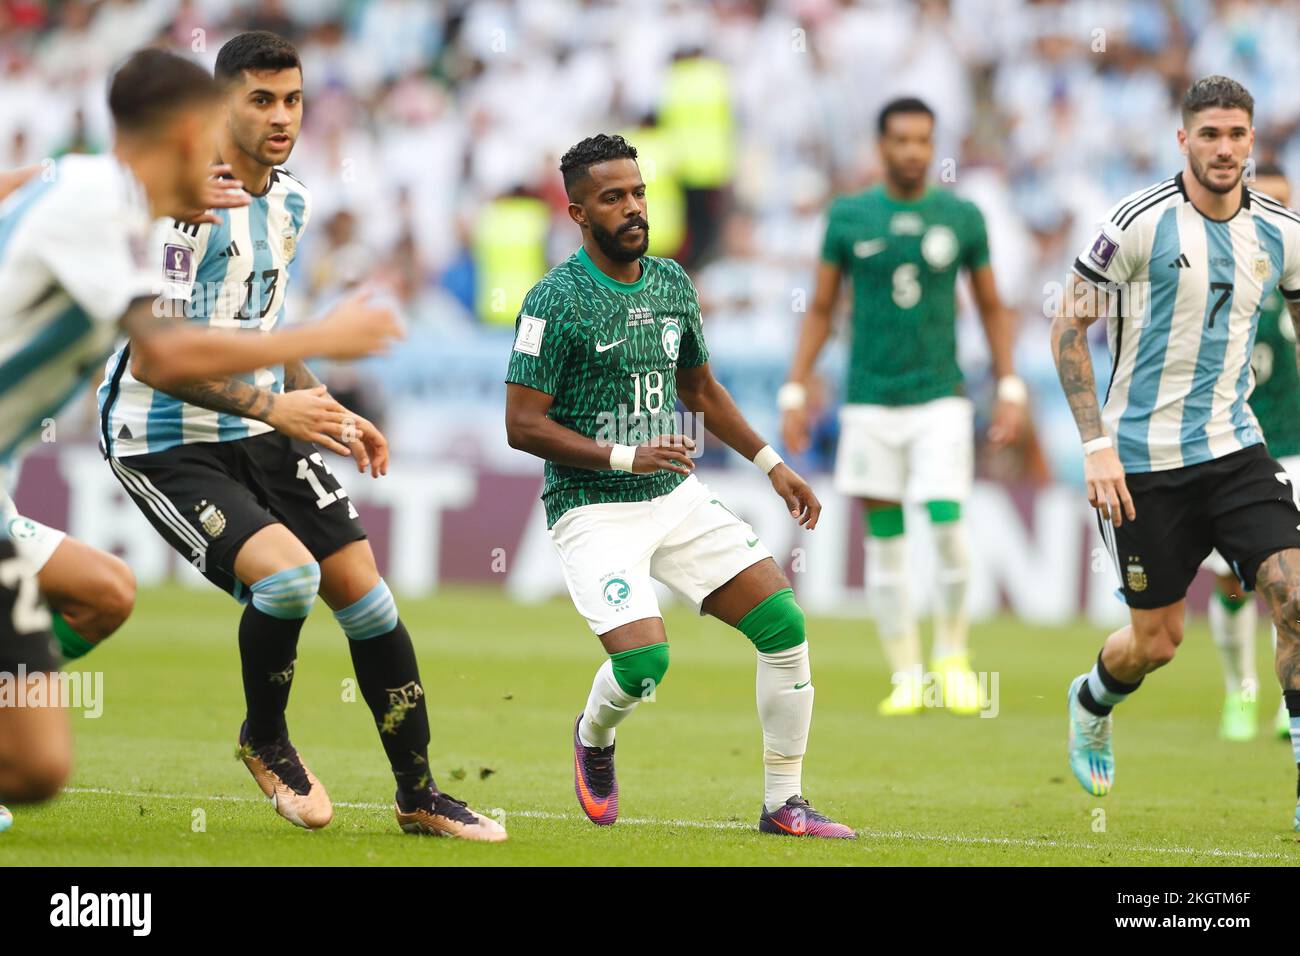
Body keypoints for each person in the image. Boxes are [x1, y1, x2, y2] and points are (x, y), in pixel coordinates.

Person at [97, 32, 504, 842]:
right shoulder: (187, 205)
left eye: (292, 99)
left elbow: (264, 328)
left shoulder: (291, 202)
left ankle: (420, 793)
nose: (282, 116)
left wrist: (326, 404)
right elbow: (157, 356)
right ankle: (265, 738)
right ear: (221, 106)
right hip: (165, 437)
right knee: (287, 583)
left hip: (257, 423)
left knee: (366, 594)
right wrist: (276, 408)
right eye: (261, 99)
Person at [0, 47, 399, 804]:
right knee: (35, 763)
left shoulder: (84, 184)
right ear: (193, 133)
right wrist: (314, 340)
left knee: (98, 611)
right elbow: (165, 353)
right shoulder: (97, 209)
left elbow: (24, 188)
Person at [505, 133, 854, 838]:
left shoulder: (671, 283)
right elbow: (521, 425)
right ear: (577, 212)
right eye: (613, 198)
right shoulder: (553, 300)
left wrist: (771, 463)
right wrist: (624, 456)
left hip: (671, 497)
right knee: (643, 665)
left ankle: (783, 803)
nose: (634, 209)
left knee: (784, 626)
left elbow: (699, 388)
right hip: (591, 508)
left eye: (638, 193)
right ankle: (595, 738)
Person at [1051, 75, 1300, 831]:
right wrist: (1095, 446)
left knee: (1293, 594)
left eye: (1236, 135)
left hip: (1236, 448)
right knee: (1156, 643)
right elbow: (1067, 328)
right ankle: (1092, 702)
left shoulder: (1283, 231)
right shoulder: (1136, 224)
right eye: (1209, 134)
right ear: (1183, 140)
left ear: (1252, 140)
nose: (1224, 149)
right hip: (1140, 464)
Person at [781, 97, 1025, 716]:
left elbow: (994, 306)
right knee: (885, 544)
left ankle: (952, 657)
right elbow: (821, 307)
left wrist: (1009, 383)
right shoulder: (850, 215)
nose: (914, 151)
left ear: (934, 144)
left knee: (946, 525)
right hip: (868, 401)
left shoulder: (962, 216)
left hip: (940, 397)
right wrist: (796, 386)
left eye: (924, 140)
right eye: (902, 140)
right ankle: (907, 675)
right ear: (881, 146)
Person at [1201, 165, 1296, 743]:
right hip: (1237, 452)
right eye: (1271, 203)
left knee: (1295, 584)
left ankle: (1293, 702)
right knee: (1231, 584)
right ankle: (1239, 690)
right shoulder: (1223, 277)